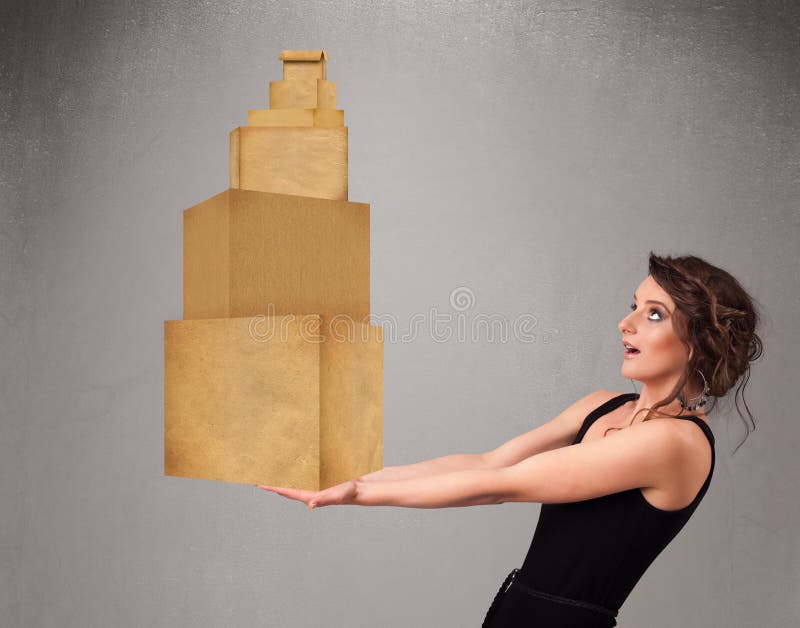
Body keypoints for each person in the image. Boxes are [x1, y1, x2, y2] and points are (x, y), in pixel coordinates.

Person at [257, 252, 763, 627]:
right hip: (513, 610)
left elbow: (502, 484)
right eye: (633, 306)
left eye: (654, 314)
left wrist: (361, 494)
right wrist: (355, 477)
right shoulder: (602, 406)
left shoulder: (675, 444)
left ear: (700, 339)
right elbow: (488, 460)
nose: (625, 323)